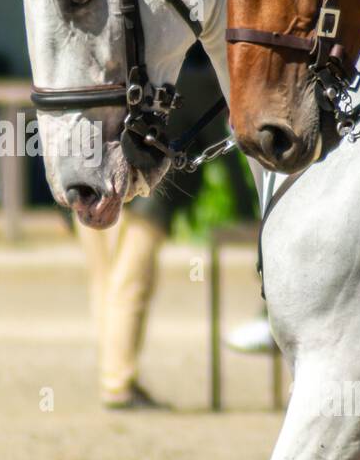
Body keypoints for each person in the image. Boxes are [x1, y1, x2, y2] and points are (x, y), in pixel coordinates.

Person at [77, 46, 253, 409]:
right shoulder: (203, 80)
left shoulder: (121, 68)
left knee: (104, 284)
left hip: (92, 185)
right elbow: (226, 146)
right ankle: (118, 383)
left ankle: (113, 373)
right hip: (147, 199)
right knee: (131, 287)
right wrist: (247, 212)